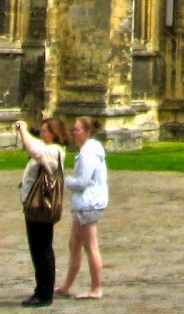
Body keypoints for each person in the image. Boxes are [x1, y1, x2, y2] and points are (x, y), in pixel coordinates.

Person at [17, 115, 69, 307]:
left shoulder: (54, 151)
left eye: (45, 130)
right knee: (39, 248)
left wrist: (23, 130)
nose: (42, 132)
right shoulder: (50, 149)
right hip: (35, 206)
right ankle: (42, 289)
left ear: (54, 133)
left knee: (41, 249)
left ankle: (45, 293)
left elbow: (34, 150)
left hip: (42, 206)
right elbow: (36, 146)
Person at [56, 116, 109, 299]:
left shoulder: (88, 154)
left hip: (88, 204)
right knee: (74, 245)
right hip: (84, 204)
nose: (73, 132)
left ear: (86, 132)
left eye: (77, 129)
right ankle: (66, 286)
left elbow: (82, 182)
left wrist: (64, 179)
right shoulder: (88, 151)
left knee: (91, 246)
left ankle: (96, 288)